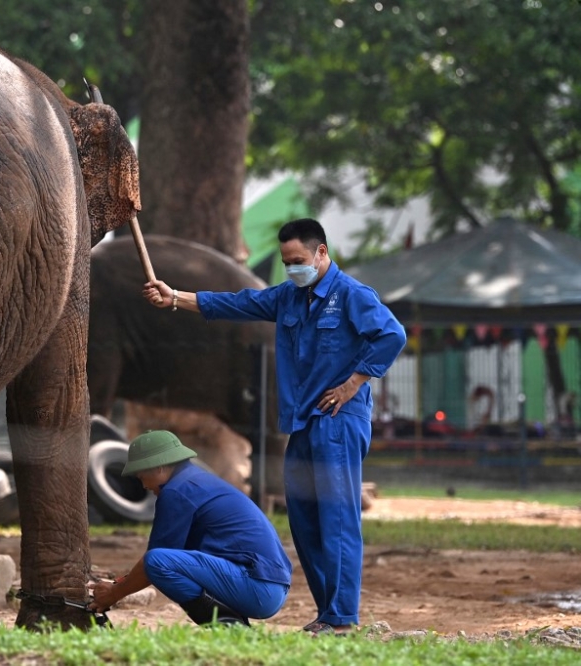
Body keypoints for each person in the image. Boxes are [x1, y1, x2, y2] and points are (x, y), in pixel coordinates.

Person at [141, 218, 406, 635]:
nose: (292, 268)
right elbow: (237, 303)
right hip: (301, 423)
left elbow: (392, 335)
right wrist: (175, 297)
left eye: (298, 260)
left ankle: (341, 618)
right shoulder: (289, 297)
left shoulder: (352, 295)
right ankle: (327, 613)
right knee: (304, 520)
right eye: (286, 262)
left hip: (338, 420)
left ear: (321, 253)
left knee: (336, 519)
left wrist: (354, 383)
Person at [88, 430, 292, 626]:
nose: (144, 486)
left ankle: (227, 626)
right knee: (164, 561)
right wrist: (118, 584)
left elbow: (153, 564)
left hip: (257, 586)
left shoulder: (177, 491)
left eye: (142, 477)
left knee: (156, 561)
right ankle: (231, 624)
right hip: (270, 586)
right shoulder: (196, 481)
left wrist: (114, 594)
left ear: (158, 467)